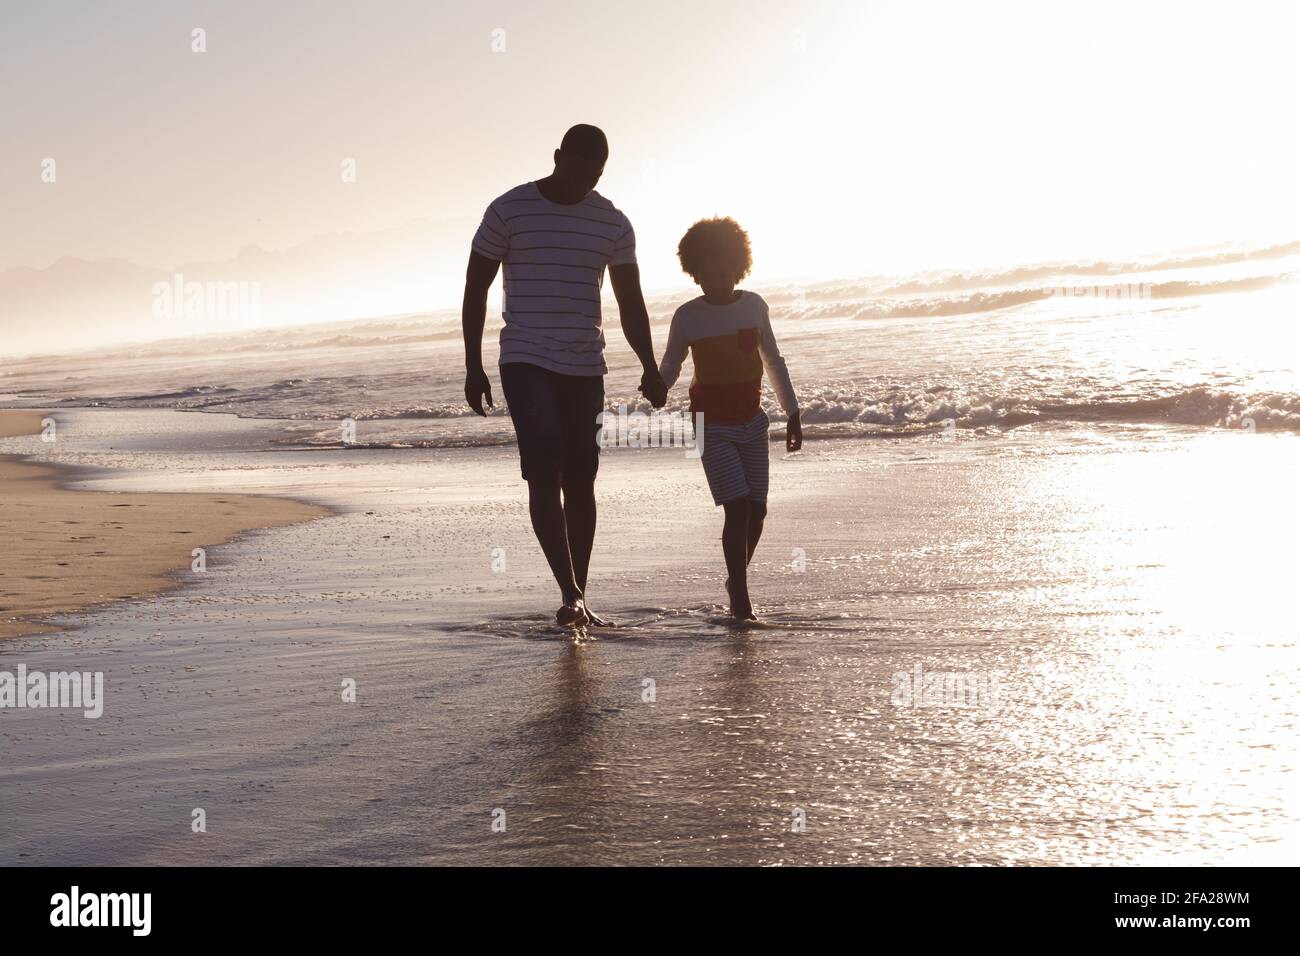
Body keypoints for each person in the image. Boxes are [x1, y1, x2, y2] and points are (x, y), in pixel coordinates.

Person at [462, 124, 668, 627]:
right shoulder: (507, 210)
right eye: (576, 172)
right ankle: (568, 587)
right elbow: (475, 288)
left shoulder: (613, 223)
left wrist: (649, 365)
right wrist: (473, 364)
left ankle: (579, 594)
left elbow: (630, 302)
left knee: (581, 479)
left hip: (584, 365)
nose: (583, 185)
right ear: (557, 157)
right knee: (543, 471)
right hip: (525, 359)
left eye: (593, 176)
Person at [657, 217, 801, 620]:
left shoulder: (754, 307)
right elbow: (672, 364)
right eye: (704, 272)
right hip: (711, 424)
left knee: (758, 510)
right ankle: (740, 593)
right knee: (736, 509)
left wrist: (792, 412)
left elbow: (772, 360)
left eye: (722, 270)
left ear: (737, 268)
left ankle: (735, 578)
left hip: (753, 423)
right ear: (694, 272)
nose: (713, 279)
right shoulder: (688, 316)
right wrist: (657, 386)